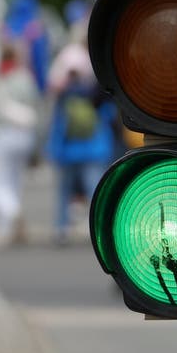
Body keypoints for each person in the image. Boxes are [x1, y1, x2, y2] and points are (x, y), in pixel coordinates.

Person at [44, 66, 114, 244]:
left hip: (68, 153)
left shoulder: (65, 98)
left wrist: (54, 151)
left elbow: (58, 127)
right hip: (93, 151)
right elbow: (107, 118)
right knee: (96, 191)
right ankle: (100, 230)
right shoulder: (95, 95)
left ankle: (61, 229)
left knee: (64, 192)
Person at [0, 42, 40, 247]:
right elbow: (37, 106)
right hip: (26, 135)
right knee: (15, 182)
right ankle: (6, 228)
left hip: (4, 134)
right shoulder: (25, 77)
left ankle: (11, 214)